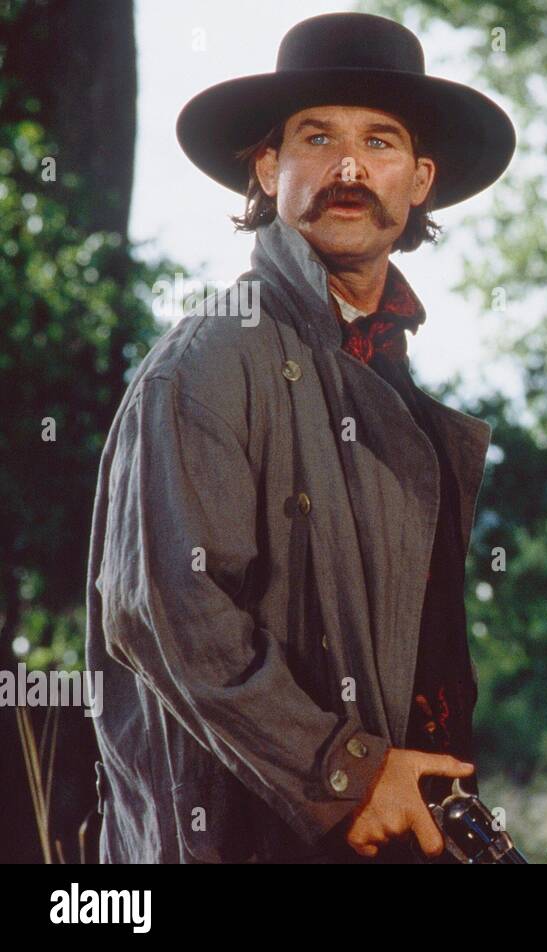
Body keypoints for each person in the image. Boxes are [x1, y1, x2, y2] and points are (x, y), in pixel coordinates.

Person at [86, 12, 515, 863]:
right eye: (317, 137)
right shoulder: (210, 358)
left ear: (420, 179)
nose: (349, 168)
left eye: (381, 142)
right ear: (269, 169)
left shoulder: (397, 386)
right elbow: (166, 612)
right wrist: (346, 774)